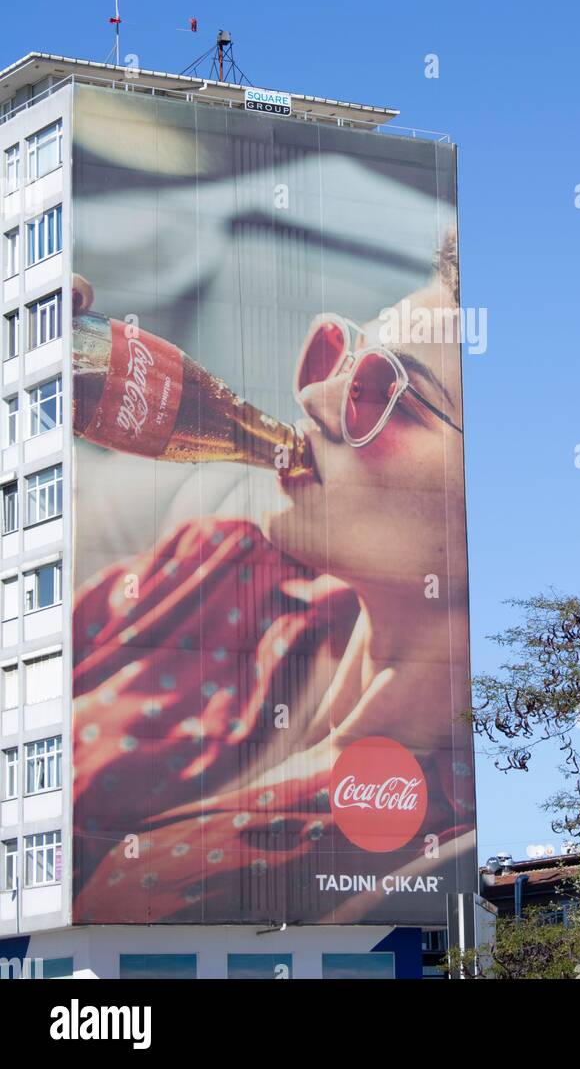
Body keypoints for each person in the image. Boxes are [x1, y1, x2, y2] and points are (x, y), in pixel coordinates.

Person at [71, 237, 476, 923]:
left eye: (386, 396)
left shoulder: (429, 854)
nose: (315, 394)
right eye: (338, 354)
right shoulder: (219, 574)